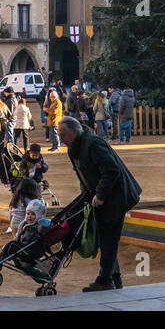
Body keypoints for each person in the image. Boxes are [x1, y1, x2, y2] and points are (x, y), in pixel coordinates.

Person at [57, 115, 142, 293]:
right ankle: (114, 278)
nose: (61, 139)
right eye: (59, 134)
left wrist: (100, 195)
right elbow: (83, 175)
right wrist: (86, 196)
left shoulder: (92, 144)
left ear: (74, 131)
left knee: (109, 238)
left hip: (117, 196)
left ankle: (105, 280)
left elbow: (111, 170)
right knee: (106, 238)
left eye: (63, 134)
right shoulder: (75, 148)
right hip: (101, 196)